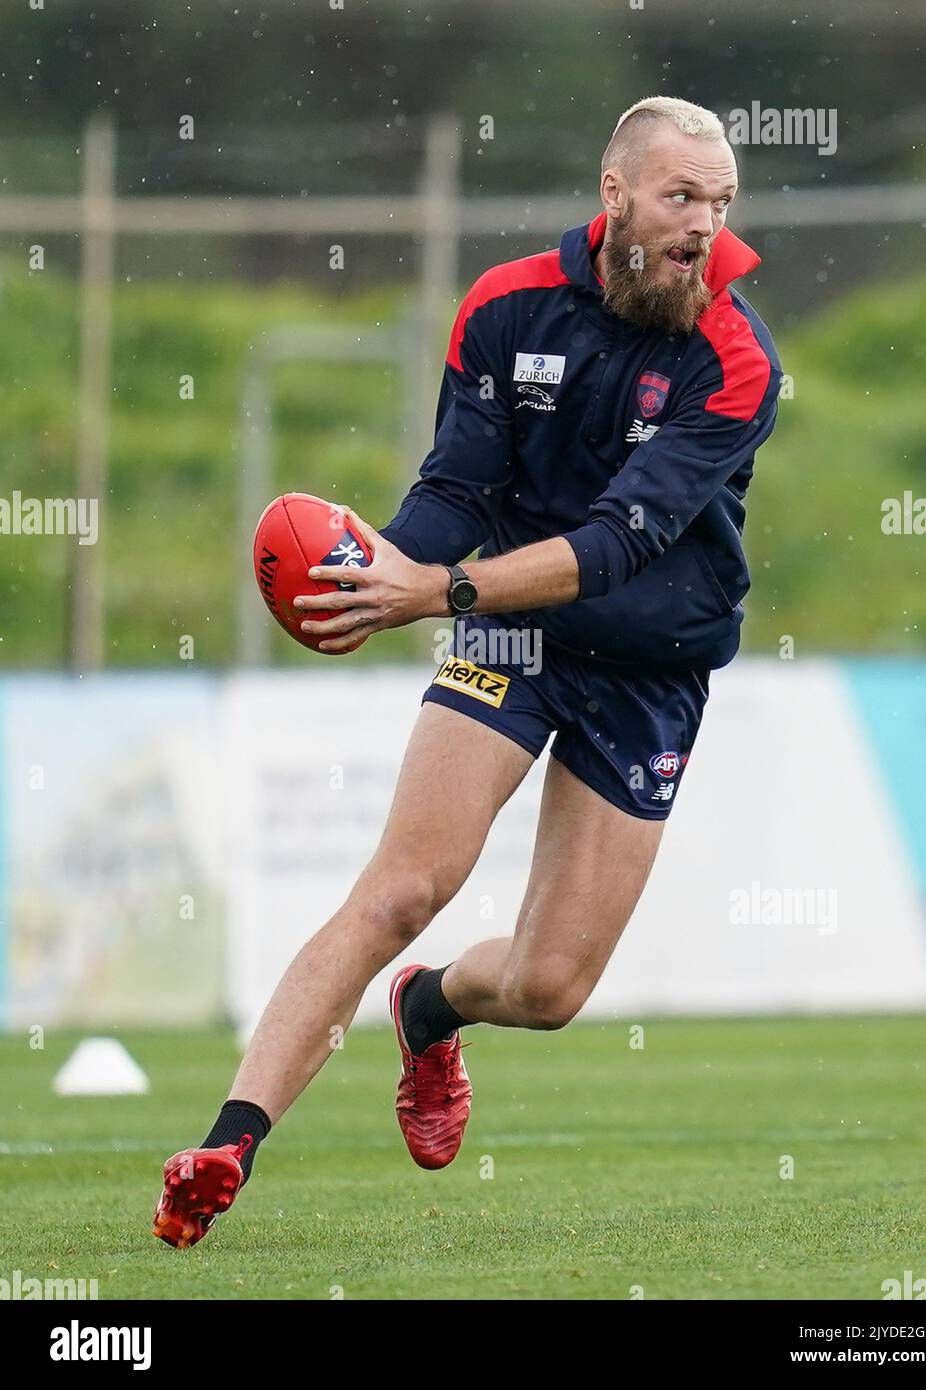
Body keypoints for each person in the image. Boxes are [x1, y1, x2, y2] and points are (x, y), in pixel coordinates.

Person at [153, 95, 782, 1249]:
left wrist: (432, 593)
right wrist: (383, 566)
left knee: (548, 989)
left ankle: (430, 1007)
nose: (707, 226)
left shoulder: (735, 358)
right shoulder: (504, 307)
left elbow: (615, 546)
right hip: (508, 640)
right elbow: (461, 490)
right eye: (683, 198)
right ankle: (225, 1141)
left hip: (650, 665)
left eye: (723, 201)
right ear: (616, 197)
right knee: (400, 886)